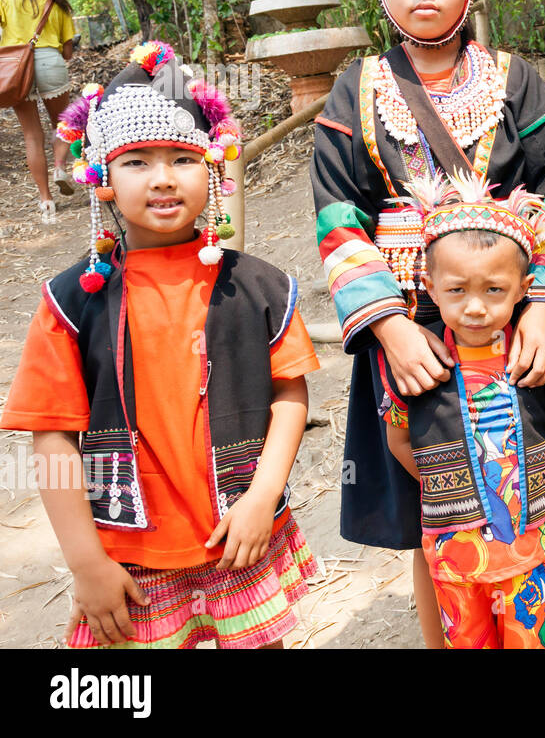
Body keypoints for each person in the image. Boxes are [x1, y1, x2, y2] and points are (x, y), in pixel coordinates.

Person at [311, 0, 545, 647]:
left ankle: (530, 618)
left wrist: (543, 309)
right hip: (408, 323)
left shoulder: (518, 80)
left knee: (519, 477)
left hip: (509, 315)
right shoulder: (355, 88)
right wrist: (393, 330)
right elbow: (337, 216)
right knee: (428, 502)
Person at [0, 42, 320, 648]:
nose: (165, 178)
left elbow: (289, 395)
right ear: (100, 179)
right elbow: (52, 438)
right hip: (129, 562)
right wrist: (86, 564)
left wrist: (262, 498)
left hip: (237, 537)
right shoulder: (72, 302)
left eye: (183, 157)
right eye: (137, 162)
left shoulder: (257, 287)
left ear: (215, 167)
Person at [380, 171, 545, 648]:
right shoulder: (415, 366)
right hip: (453, 561)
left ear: (524, 288)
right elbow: (398, 439)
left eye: (494, 290)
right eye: (457, 290)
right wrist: (450, 482)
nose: (475, 307)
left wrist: (527, 474)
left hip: (527, 559)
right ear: (430, 287)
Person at [1, 0, 78, 221]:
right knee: (62, 125)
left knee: (32, 136)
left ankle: (46, 201)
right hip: (50, 63)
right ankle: (59, 167)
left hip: (16, 68)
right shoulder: (57, 3)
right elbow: (67, 53)